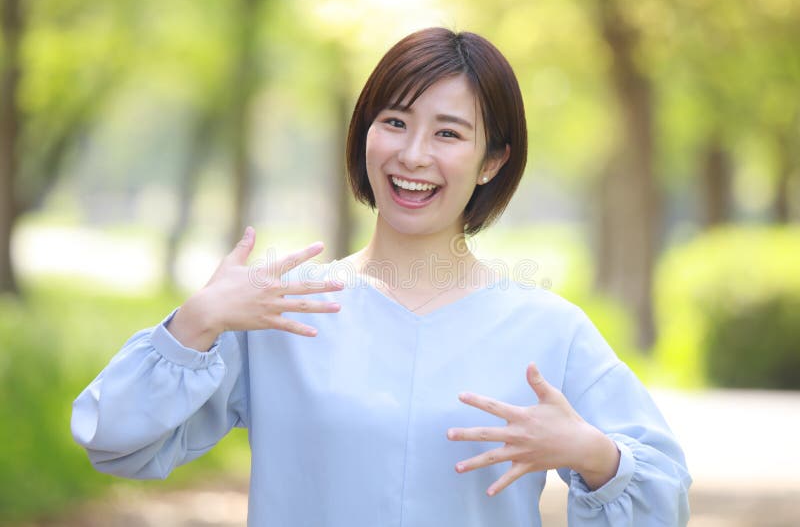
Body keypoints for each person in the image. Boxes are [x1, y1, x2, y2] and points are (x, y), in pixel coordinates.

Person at [71, 27, 691, 526]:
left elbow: (663, 504)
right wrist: (197, 321)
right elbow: (116, 442)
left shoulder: (547, 331)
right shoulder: (283, 310)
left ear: (492, 162)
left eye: (449, 133)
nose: (413, 154)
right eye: (394, 122)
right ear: (364, 132)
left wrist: (595, 456)